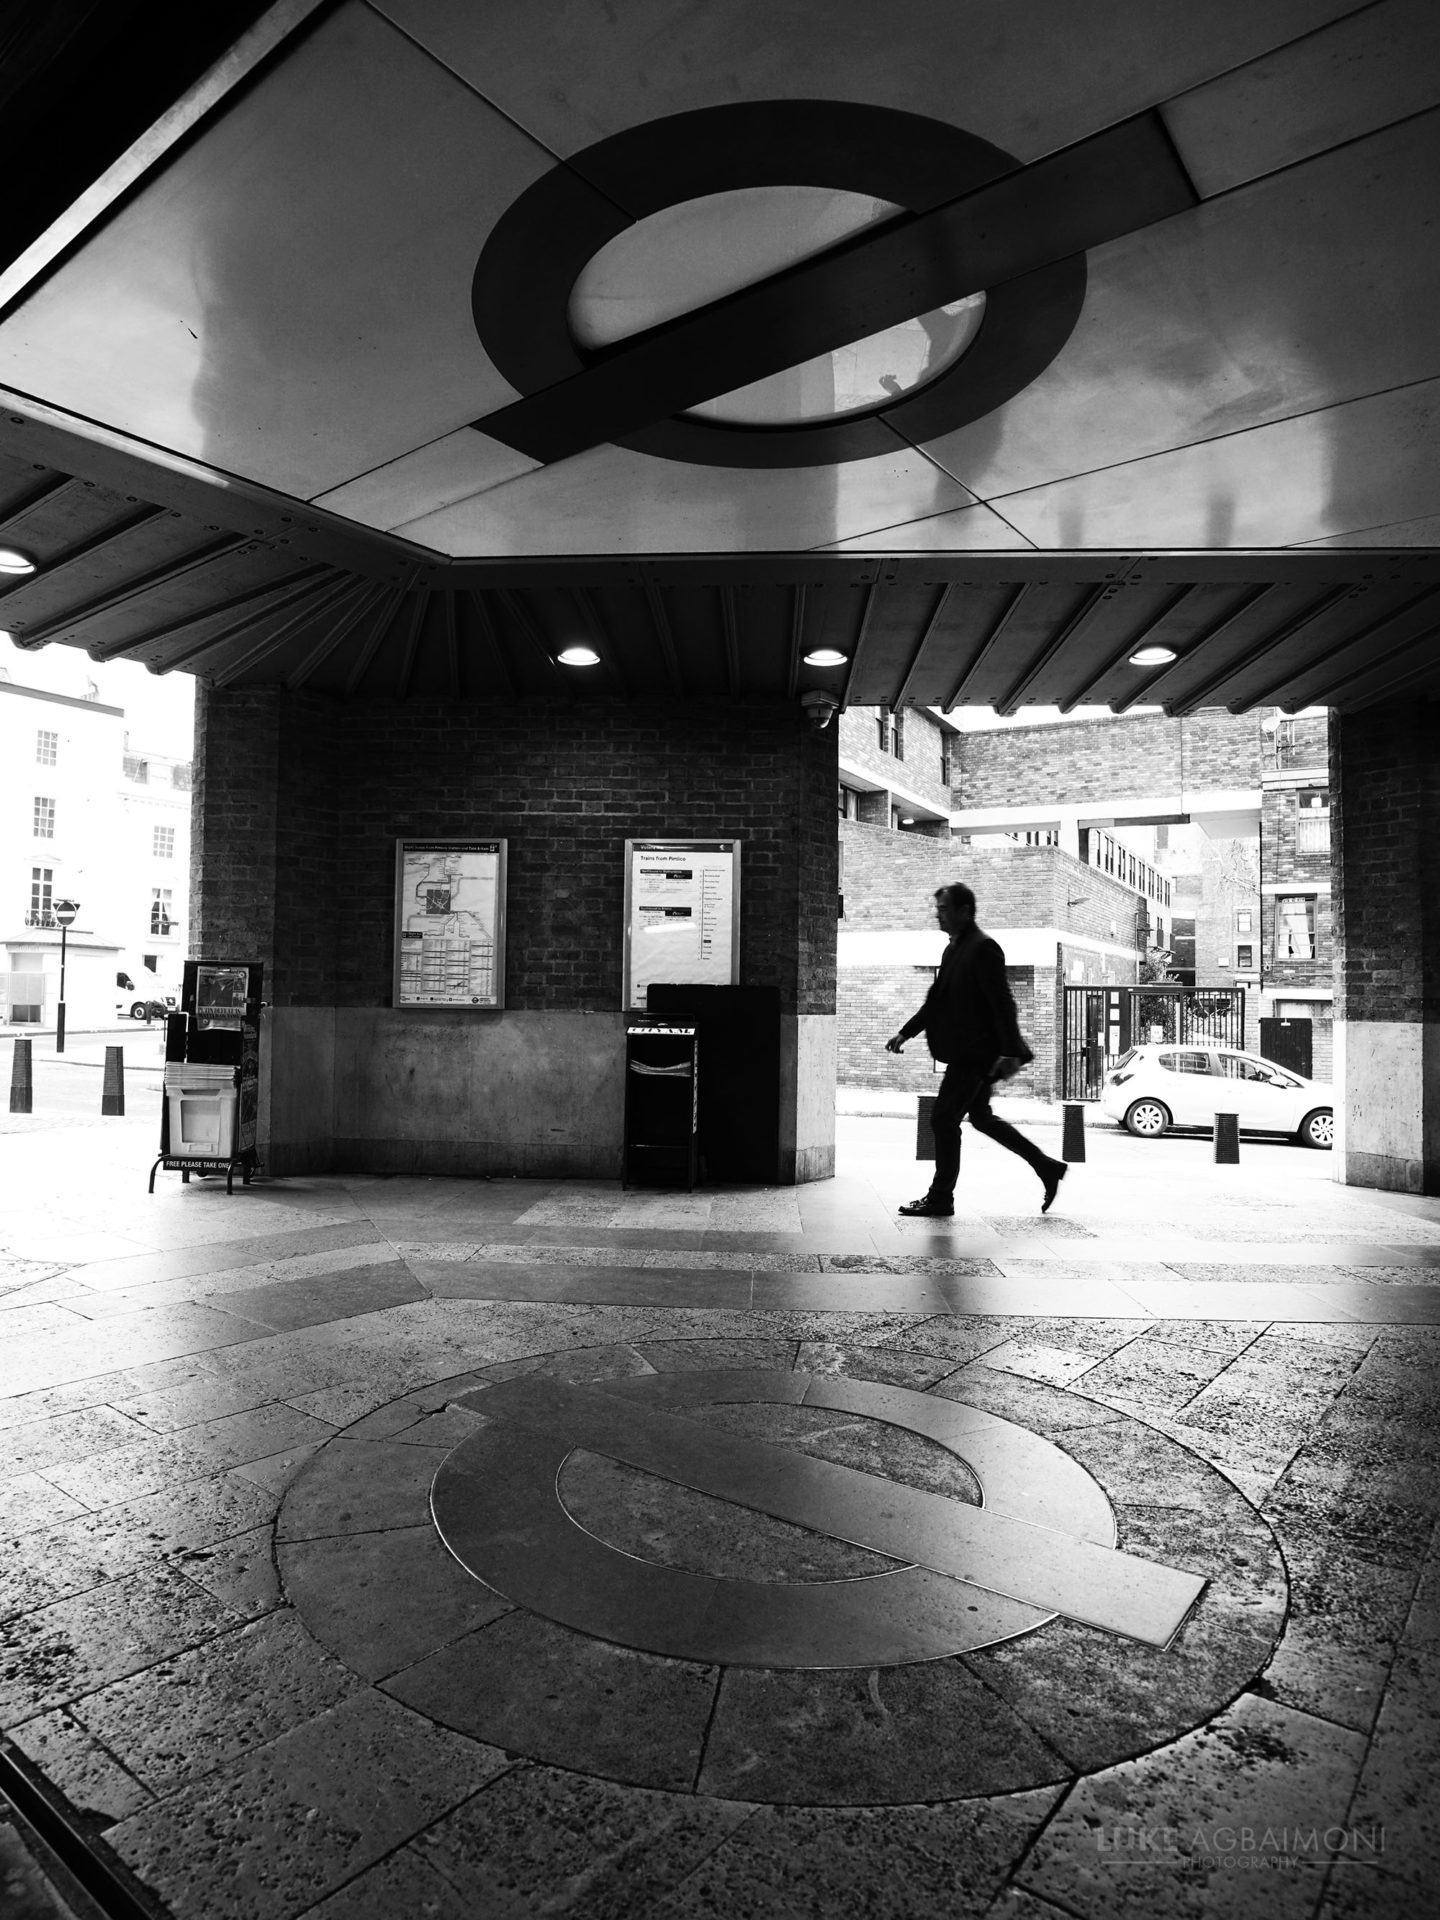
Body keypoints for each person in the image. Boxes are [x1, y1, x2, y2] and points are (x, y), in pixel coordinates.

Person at [885, 882, 1068, 1218]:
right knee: (981, 1118)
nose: (937, 914)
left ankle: (941, 1197)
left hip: (975, 1054)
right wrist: (905, 1032)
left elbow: (1003, 1003)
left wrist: (1011, 1051)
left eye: (943, 908)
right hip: (967, 1051)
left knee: (943, 1118)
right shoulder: (953, 949)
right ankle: (1047, 1166)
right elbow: (936, 1001)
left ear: (964, 911)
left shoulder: (983, 948)